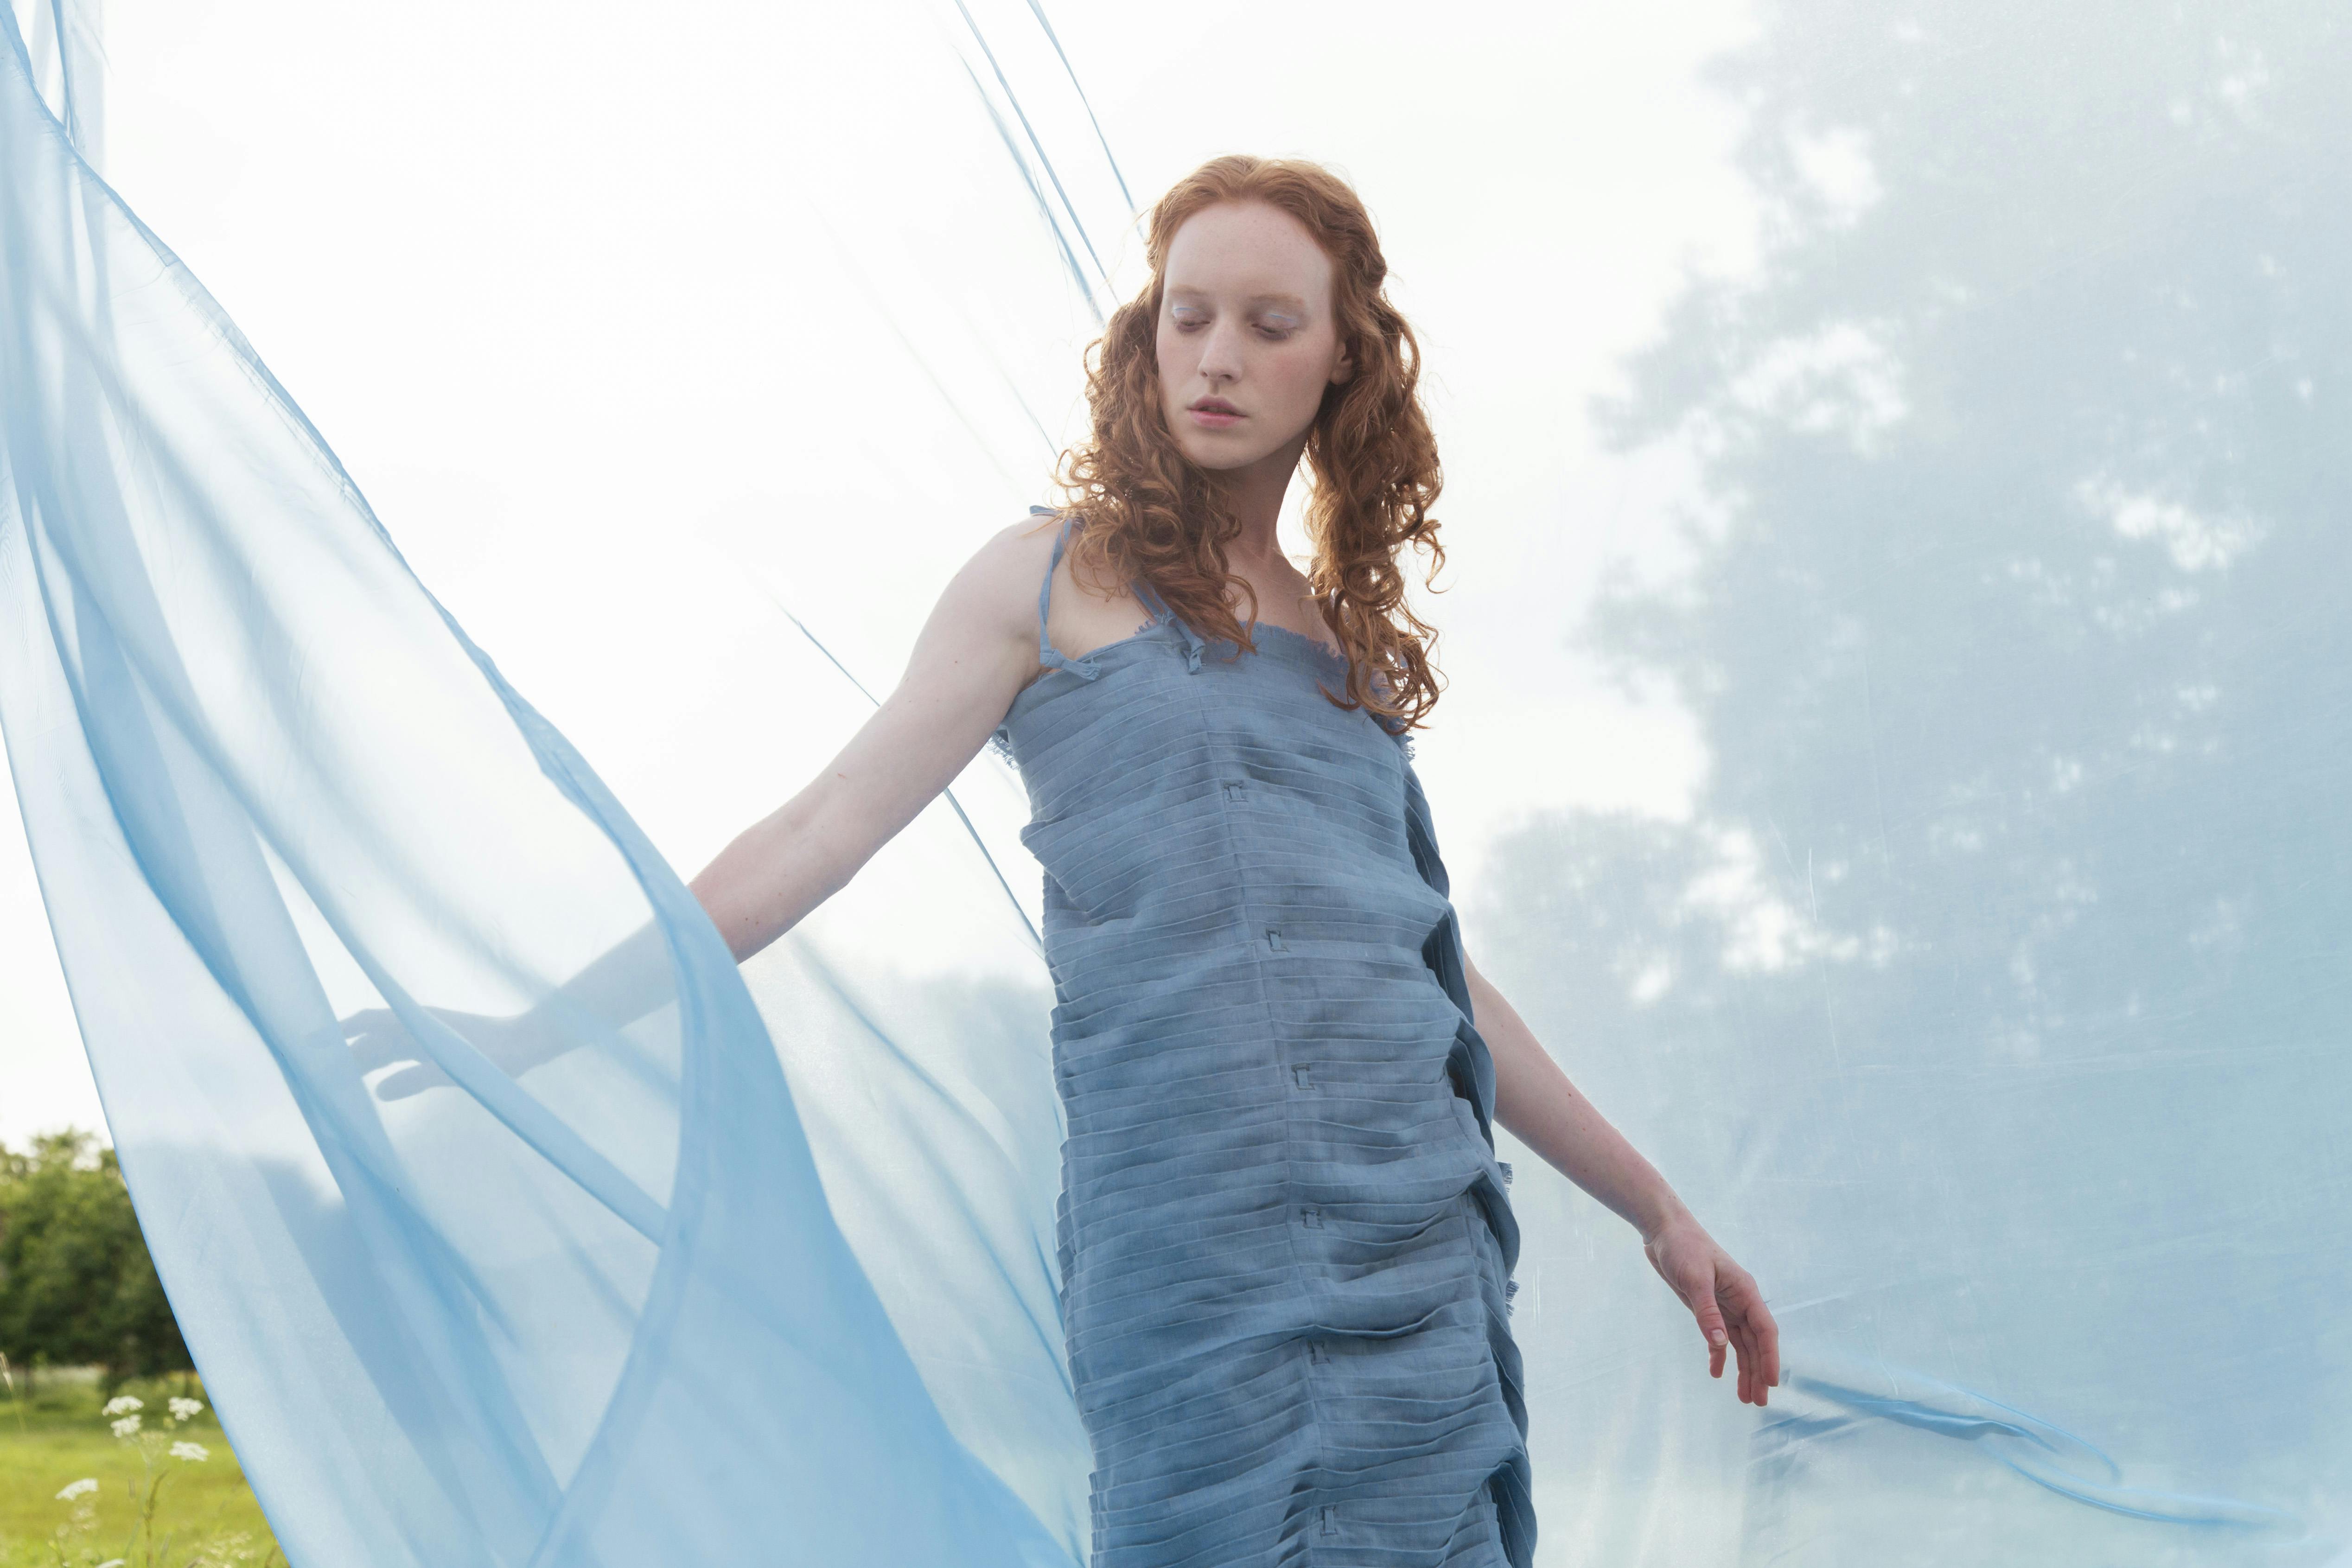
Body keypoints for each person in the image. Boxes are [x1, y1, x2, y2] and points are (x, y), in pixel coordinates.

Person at [350, 153, 1779, 1568]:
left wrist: (1656, 1210)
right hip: (1191, 1222)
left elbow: (1426, 963)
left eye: (1268, 326)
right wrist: (538, 1024)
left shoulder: (1345, 647)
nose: (1214, 358)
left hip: (1411, 1226)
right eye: (1187, 315)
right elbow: (816, 832)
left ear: (1342, 363)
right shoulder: (1046, 579)